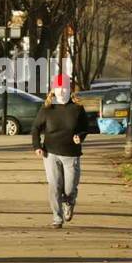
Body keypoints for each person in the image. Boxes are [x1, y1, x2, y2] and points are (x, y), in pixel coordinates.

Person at [32, 74, 91, 228]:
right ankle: (57, 217)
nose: (61, 91)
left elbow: (86, 128)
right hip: (50, 153)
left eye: (64, 87)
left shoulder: (77, 109)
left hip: (71, 154)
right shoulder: (47, 109)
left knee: (69, 188)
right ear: (54, 90)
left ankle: (69, 201)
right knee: (54, 186)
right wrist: (37, 146)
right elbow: (36, 128)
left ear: (69, 89)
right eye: (58, 88)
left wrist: (80, 136)